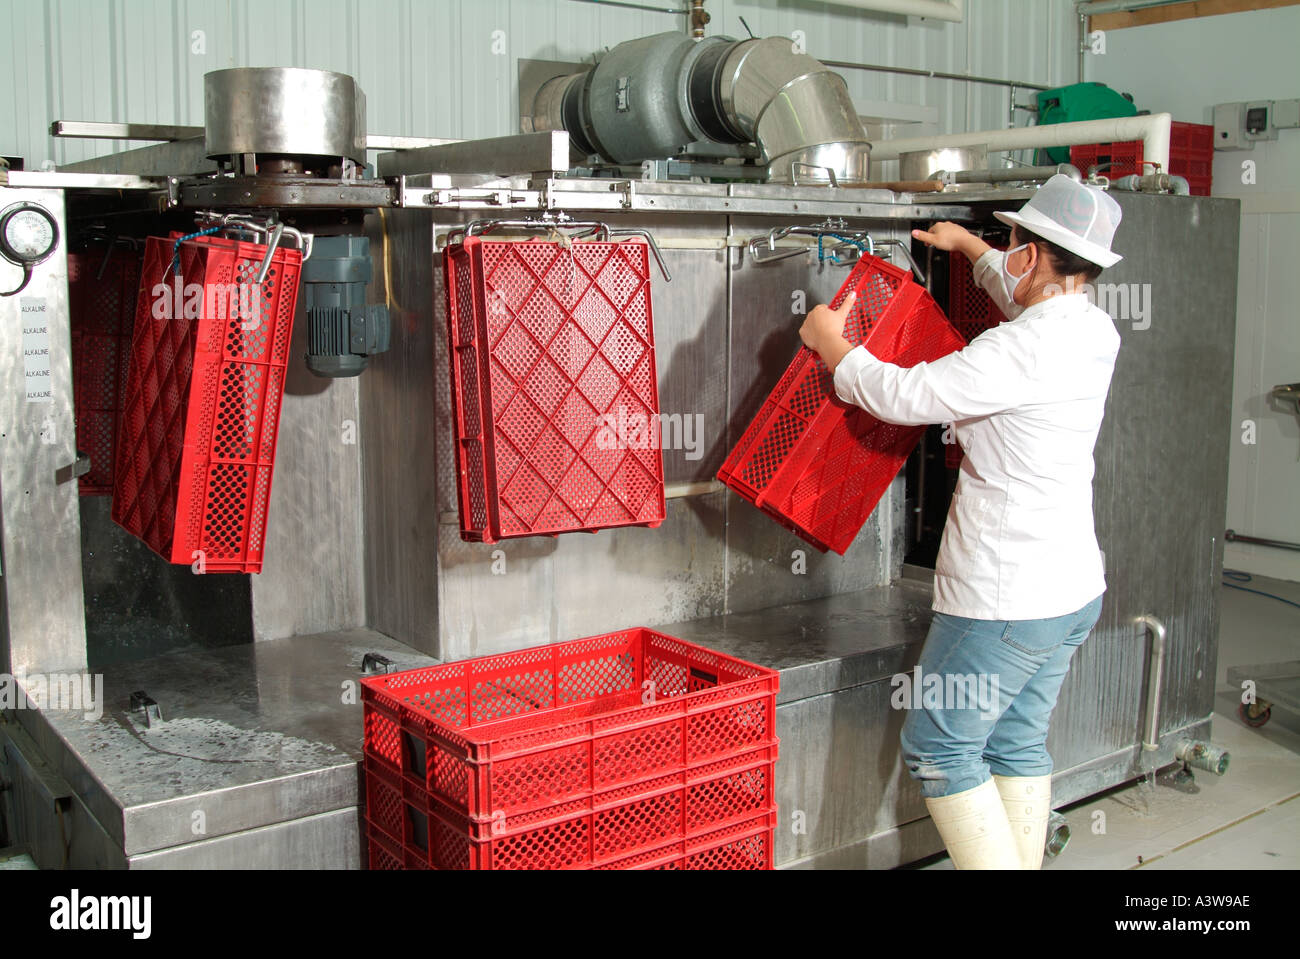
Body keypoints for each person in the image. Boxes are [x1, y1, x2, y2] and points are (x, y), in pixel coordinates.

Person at [797, 174, 1124, 869]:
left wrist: (834, 345)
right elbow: (1025, 299)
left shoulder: (1014, 353)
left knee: (941, 747)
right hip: (1070, 591)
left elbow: (907, 394)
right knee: (1015, 742)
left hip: (1006, 598)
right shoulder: (1093, 327)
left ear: (1032, 255)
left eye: (1013, 243)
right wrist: (974, 247)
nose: (1006, 254)